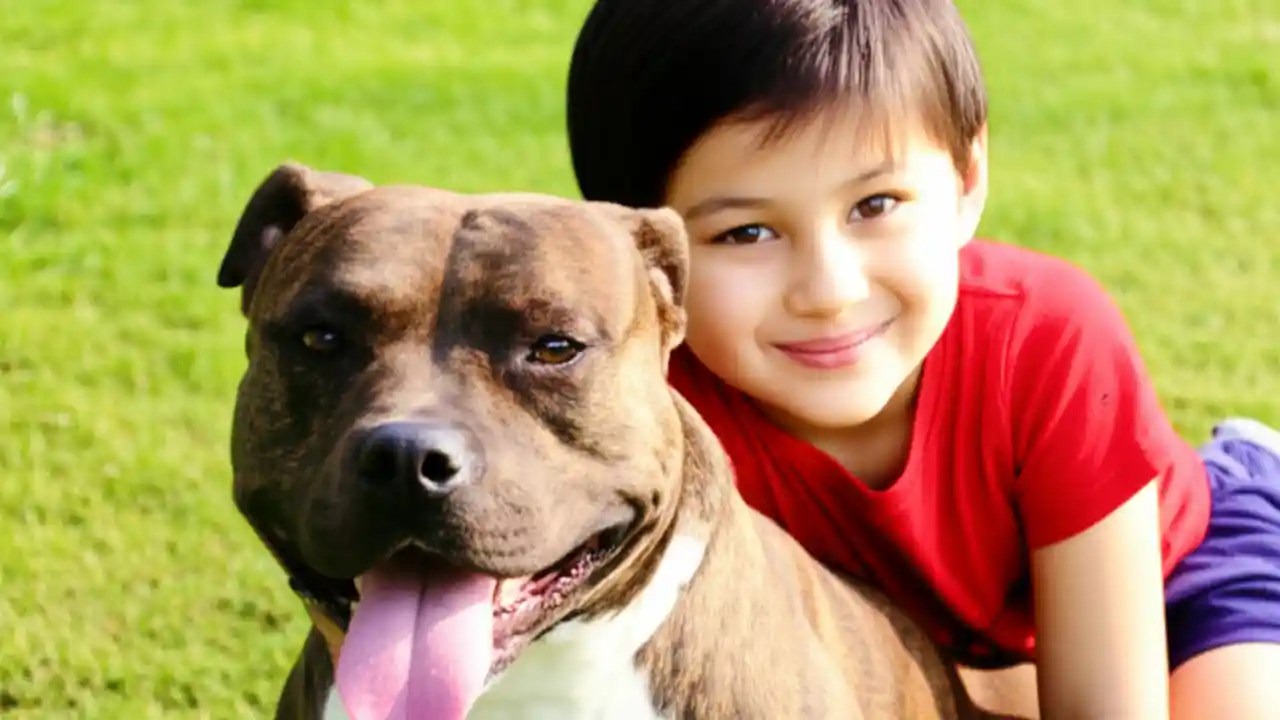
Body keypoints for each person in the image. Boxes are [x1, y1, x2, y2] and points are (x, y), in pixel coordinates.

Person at [563, 1, 1280, 717]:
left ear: (967, 178)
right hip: (923, 645)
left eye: (875, 205)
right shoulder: (650, 409)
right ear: (639, 248)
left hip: (1173, 576)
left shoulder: (1045, 337)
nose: (830, 292)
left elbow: (1107, 705)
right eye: (747, 232)